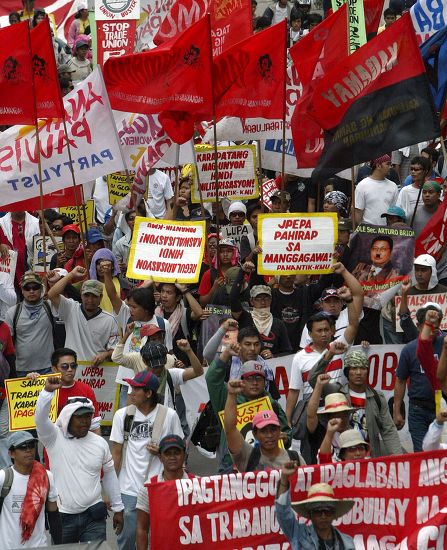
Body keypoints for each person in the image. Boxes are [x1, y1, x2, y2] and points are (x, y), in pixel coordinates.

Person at [35, 376, 124, 543]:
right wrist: (47, 392)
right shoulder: (54, 438)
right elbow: (40, 419)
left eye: (88, 417)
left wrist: (118, 508)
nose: (85, 421)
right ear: (68, 418)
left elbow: (110, 475)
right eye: (80, 417)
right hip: (63, 519)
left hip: (94, 516)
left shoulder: (100, 443)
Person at [110, 371, 183, 550]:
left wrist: (161, 452)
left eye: (136, 388)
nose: (131, 392)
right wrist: (110, 492)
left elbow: (181, 451)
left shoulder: (169, 415)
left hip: (160, 487)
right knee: (127, 538)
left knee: (163, 536)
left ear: (149, 393)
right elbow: (116, 453)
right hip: (128, 488)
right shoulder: (122, 415)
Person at [286, 262, 363, 423]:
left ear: (333, 331)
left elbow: (353, 325)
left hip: (338, 408)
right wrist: (287, 422)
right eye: (319, 331)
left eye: (326, 330)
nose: (323, 334)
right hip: (310, 411)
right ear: (310, 333)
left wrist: (348, 300)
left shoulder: (339, 347)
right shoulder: (299, 358)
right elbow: (293, 392)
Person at [206, 350, 290, 472]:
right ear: (242, 380)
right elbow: (212, 379)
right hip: (231, 466)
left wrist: (286, 438)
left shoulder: (272, 404)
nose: (255, 383)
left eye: (259, 378)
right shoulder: (228, 397)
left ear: (265, 382)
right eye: (250, 378)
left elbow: (287, 432)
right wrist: (225, 355)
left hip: (265, 466)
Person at [224, 378, 303, 472]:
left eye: (273, 429)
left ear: (279, 431)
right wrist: (232, 395)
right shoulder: (247, 456)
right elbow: (230, 430)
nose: (269, 435)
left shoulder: (295, 458)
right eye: (264, 431)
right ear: (255, 434)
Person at [394, 306, 444, 451]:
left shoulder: (444, 343)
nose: (433, 327)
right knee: (422, 454)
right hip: (418, 410)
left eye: (436, 324)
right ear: (419, 326)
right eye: (429, 324)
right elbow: (400, 380)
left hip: (442, 407)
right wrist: (397, 410)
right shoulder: (410, 349)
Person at [0, 431, 61, 549]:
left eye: (31, 445)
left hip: (39, 546)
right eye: (22, 447)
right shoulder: (3, 478)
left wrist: (59, 545)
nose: (28, 450)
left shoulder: (46, 477)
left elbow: (54, 515)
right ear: (11, 454)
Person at [47, 266, 119, 364]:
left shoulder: (110, 320)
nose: (90, 300)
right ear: (81, 295)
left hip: (97, 373)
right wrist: (71, 274)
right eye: (86, 295)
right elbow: (52, 294)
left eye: (94, 296)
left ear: (101, 297)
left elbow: (115, 349)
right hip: (71, 370)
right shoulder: (70, 308)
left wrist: (105, 354)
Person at [338, 350, 402, 457]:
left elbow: (388, 430)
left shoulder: (377, 397)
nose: (359, 372)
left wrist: (398, 458)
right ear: (347, 372)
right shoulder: (338, 396)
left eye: (362, 368)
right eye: (354, 368)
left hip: (370, 459)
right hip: (344, 459)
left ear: (367, 371)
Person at [276, 465, 355, 550]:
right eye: (317, 511)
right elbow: (283, 513)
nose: (323, 516)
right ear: (310, 514)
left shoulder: (347, 543)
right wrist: (284, 479)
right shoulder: (299, 534)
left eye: (327, 511)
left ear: (333, 514)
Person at [135, 434, 193, 550]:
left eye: (176, 453)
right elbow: (142, 528)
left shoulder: (198, 484)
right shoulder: (148, 489)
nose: (172, 457)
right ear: (160, 457)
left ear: (184, 455)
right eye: (167, 453)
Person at [5, 272, 53, 377]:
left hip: (48, 368)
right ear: (22, 290)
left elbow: (59, 294)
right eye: (27, 288)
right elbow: (7, 344)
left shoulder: (51, 307)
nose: (31, 291)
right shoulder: (12, 312)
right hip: (21, 370)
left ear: (41, 289)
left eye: (35, 287)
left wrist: (53, 282)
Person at [231, 277, 292, 358]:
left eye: (266, 298)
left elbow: (288, 352)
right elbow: (233, 298)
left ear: (271, 300)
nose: (263, 302)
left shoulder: (278, 324)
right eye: (258, 299)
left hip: (271, 366)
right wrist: (242, 272)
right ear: (252, 301)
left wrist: (273, 356)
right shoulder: (244, 318)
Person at [354, 155, 399, 226]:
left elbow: (395, 211)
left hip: (387, 231)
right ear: (378, 166)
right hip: (368, 231)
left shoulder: (393, 186)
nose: (390, 167)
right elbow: (358, 212)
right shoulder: (362, 185)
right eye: (388, 164)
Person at [0, 211, 40, 290]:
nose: (19, 208)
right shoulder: (1, 223)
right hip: (8, 273)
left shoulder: (36, 223)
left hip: (31, 271)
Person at [396, 156, 432, 221]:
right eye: (411, 169)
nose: (413, 172)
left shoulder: (432, 189)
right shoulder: (405, 190)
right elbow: (398, 212)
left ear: (426, 171)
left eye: (417, 169)